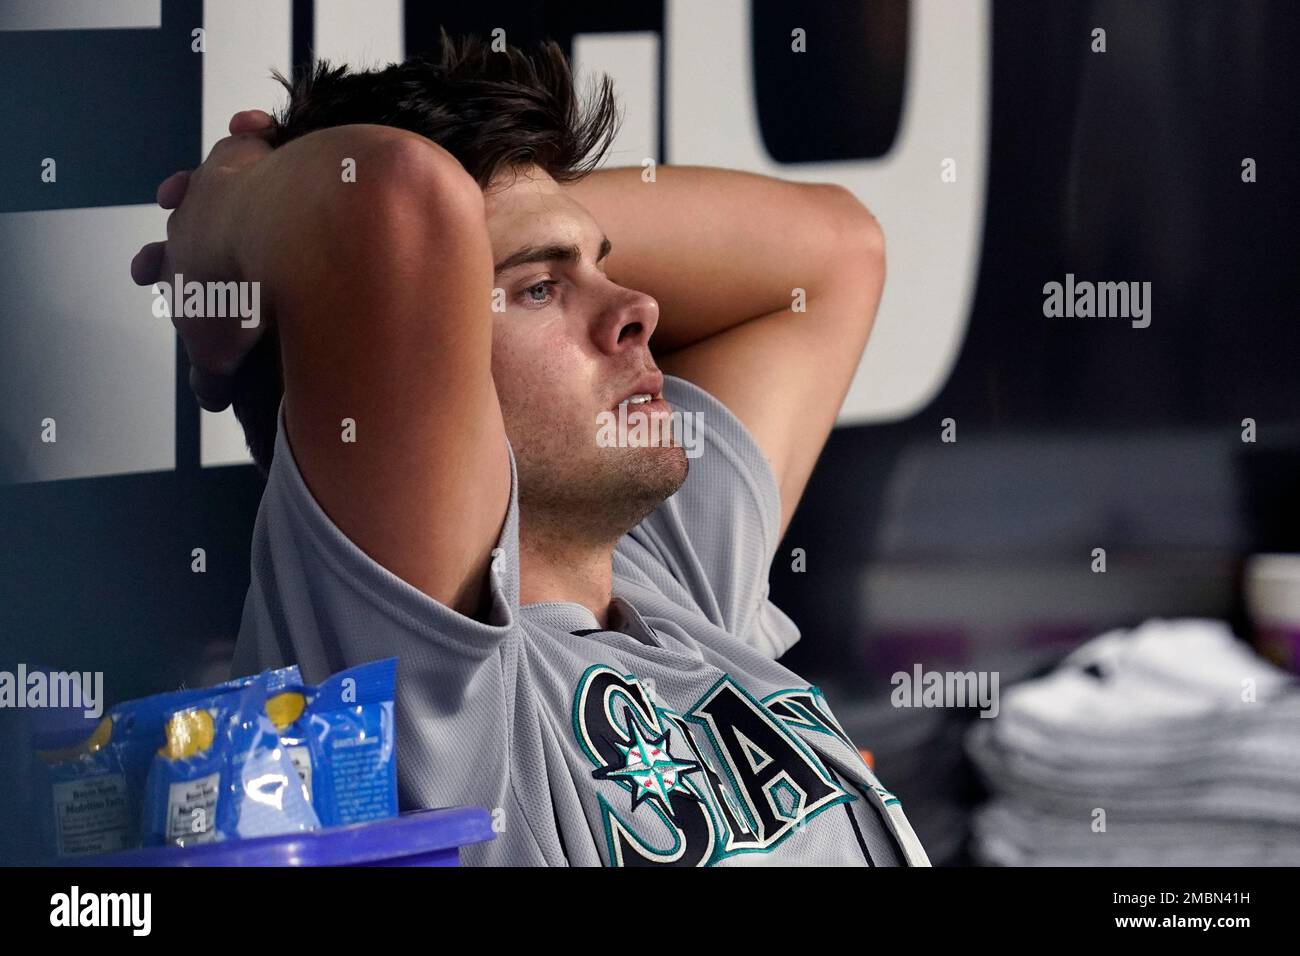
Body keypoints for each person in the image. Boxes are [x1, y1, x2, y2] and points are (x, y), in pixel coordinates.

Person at [130, 31, 929, 867]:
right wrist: (228, 202)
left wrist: (526, 210)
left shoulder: (667, 575)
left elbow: (835, 251)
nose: (640, 307)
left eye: (600, 263)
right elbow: (396, 197)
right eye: (540, 288)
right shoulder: (434, 666)